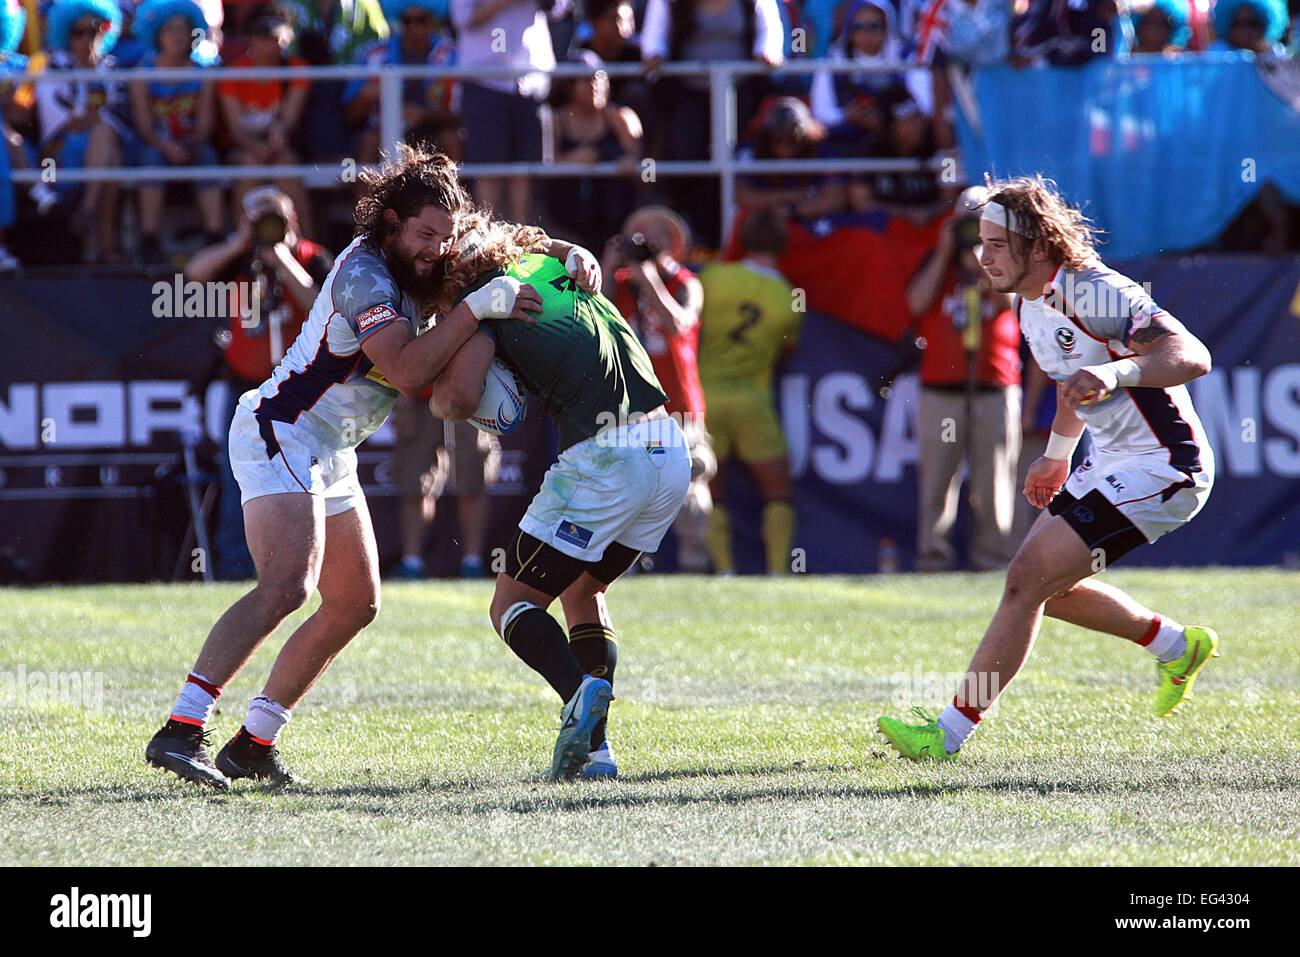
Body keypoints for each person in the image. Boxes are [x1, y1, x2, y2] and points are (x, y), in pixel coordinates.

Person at [144, 144, 603, 789]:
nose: (438, 250)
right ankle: (183, 727)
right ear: (389, 223)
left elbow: (507, 239)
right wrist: (478, 308)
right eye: (424, 234)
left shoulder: (434, 249)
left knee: (356, 602)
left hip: (331, 445)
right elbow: (410, 370)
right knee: (288, 587)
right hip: (285, 427)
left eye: (445, 237)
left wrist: (565, 252)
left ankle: (253, 742)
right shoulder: (364, 273)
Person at [878, 175, 1219, 760]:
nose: (981, 258)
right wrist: (1057, 457)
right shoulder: (1028, 299)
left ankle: (946, 732)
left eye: (994, 245)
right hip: (1111, 459)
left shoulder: (1093, 291)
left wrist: (1117, 373)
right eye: (978, 243)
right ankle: (1174, 645)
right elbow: (1071, 386)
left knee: (1024, 579)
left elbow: (1193, 355)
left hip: (1164, 466)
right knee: (1048, 588)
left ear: (1036, 245)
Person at [426, 211, 691, 782]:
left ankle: (578, 690)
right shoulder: (551, 261)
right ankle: (596, 754)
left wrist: (442, 402)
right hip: (669, 447)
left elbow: (459, 393)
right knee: (583, 588)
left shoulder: (487, 299)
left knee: (509, 605)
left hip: (605, 458)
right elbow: (559, 248)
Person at [185, 185, 333, 580]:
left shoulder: (311, 257)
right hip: (245, 390)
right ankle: (237, 569)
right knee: (240, 480)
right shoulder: (238, 260)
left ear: (293, 222)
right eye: (259, 219)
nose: (267, 227)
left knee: (307, 480)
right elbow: (193, 276)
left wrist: (282, 256)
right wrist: (240, 242)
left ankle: (305, 569)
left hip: (302, 393)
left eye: (275, 218)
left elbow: (321, 304)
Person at [906, 185, 1021, 571]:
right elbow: (916, 303)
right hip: (941, 388)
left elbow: (1010, 304)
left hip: (994, 386)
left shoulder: (1008, 260)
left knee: (994, 483)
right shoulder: (936, 261)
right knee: (937, 480)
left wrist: (986, 264)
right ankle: (932, 558)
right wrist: (944, 252)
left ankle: (992, 560)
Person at [604, 204, 714, 572]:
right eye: (642, 235)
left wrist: (649, 279)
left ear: (672, 243)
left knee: (689, 482)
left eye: (657, 236)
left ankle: (694, 564)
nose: (648, 241)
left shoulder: (686, 283)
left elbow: (679, 324)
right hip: (630, 406)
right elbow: (589, 312)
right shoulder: (620, 283)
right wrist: (606, 264)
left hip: (679, 403)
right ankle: (626, 568)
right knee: (628, 485)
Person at [697, 207, 801, 576]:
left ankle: (724, 570)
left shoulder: (713, 278)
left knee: (711, 488)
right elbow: (787, 349)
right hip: (753, 399)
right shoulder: (788, 296)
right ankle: (778, 572)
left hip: (705, 396)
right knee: (778, 492)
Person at [449, 0, 571, 223]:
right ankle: (487, 245)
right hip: (484, 79)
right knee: (488, 170)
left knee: (522, 170)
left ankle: (520, 245)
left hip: (530, 79)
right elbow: (462, 18)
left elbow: (559, 9)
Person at [37, 0, 135, 263]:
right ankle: (106, 244)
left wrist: (89, 118)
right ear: (66, 34)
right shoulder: (51, 65)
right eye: (79, 32)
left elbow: (121, 116)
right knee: (108, 151)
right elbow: (58, 121)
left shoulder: (112, 69)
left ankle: (90, 216)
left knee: (109, 148)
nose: (88, 38)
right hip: (54, 162)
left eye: (96, 29)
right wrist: (93, 117)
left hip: (98, 154)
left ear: (107, 31)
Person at [128, 0, 224, 263]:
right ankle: (148, 239)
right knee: (151, 159)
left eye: (183, 29)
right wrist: (167, 147)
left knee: (206, 156)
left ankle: (214, 236)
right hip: (157, 146)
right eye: (170, 29)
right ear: (157, 34)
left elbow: (204, 126)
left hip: (191, 145)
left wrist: (189, 145)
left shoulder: (202, 74)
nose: (177, 35)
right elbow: (146, 129)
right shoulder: (142, 75)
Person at [217, 15, 312, 236]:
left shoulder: (296, 68)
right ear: (251, 40)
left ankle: (305, 248)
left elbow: (289, 119)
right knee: (249, 168)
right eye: (265, 39)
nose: (273, 45)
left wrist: (278, 131)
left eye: (278, 38)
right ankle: (242, 248)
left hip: (280, 148)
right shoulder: (234, 73)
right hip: (242, 148)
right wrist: (254, 147)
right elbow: (235, 130)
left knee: (287, 168)